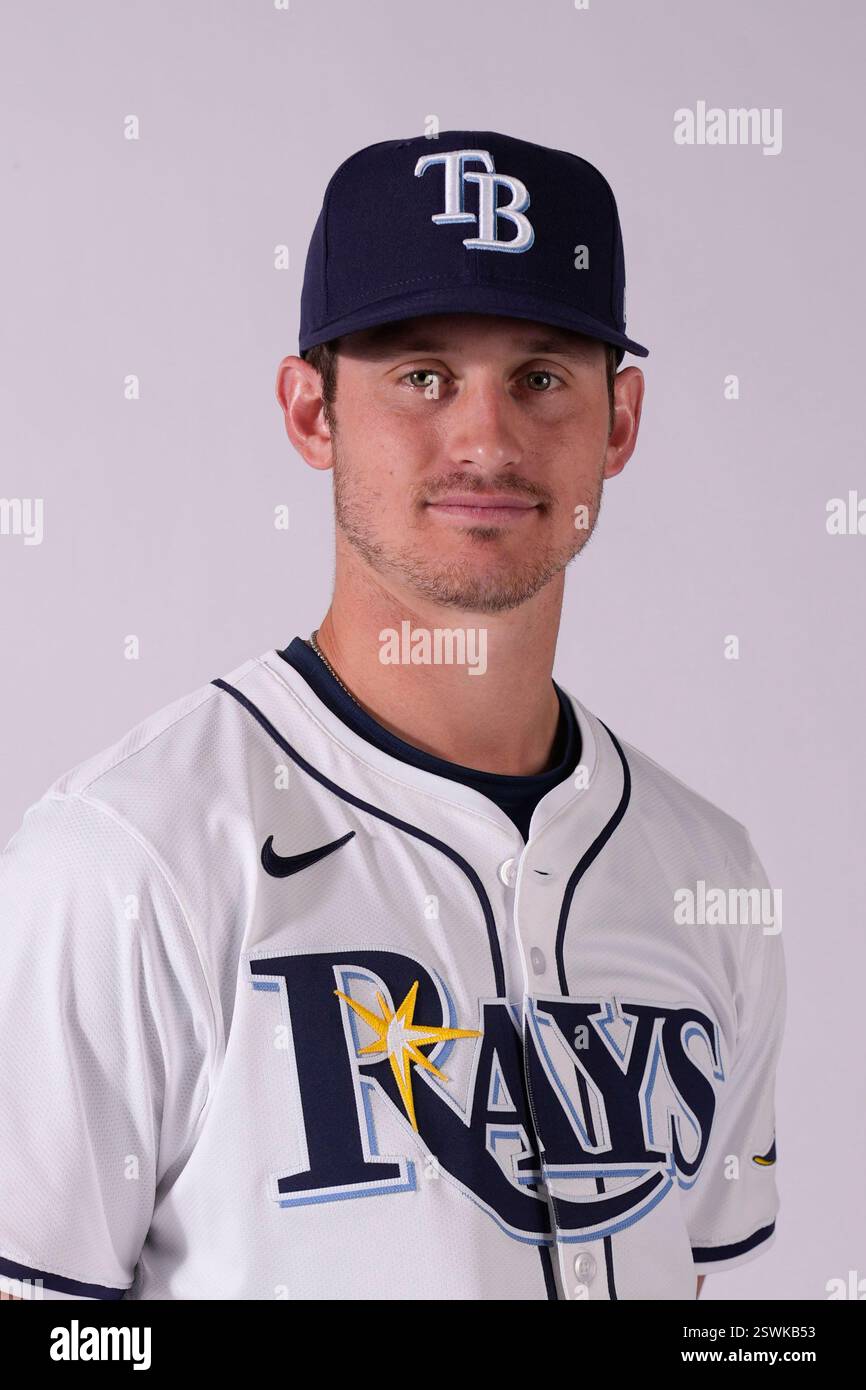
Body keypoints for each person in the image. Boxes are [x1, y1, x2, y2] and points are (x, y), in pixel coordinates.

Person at [0, 130, 784, 1301]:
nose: (486, 438)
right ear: (310, 411)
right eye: (421, 375)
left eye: (541, 377)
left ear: (617, 422)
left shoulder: (706, 872)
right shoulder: (125, 860)